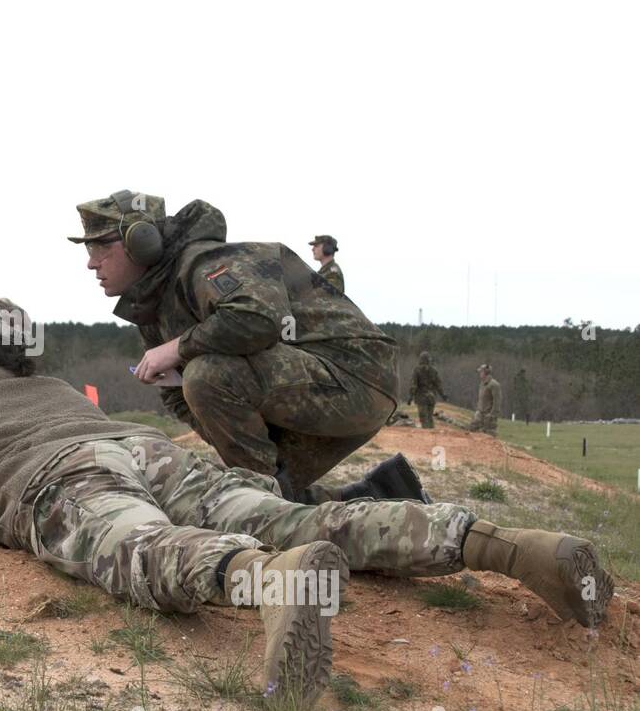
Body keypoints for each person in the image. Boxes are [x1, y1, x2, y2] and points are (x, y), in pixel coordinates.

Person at [0, 295, 615, 706]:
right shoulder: (61, 387)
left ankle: (272, 582)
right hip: (148, 451)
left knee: (139, 548)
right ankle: (507, 548)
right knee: (297, 513)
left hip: (66, 480)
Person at [71, 190, 413, 505]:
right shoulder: (152, 309)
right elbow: (181, 396)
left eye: (100, 247)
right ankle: (388, 495)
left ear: (139, 242)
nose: (91, 263)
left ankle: (266, 509)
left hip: (357, 376)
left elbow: (258, 319)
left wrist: (179, 348)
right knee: (244, 494)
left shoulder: (203, 263)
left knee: (209, 377)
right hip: (311, 391)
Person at [407, 352, 447, 428]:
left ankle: (427, 435)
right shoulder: (433, 371)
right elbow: (438, 384)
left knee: (423, 418)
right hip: (431, 397)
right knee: (430, 417)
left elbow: (414, 385)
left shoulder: (417, 370)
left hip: (421, 397)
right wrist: (443, 394)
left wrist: (410, 396)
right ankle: (431, 433)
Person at [469, 364, 503, 436]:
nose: (480, 374)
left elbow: (497, 402)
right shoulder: (482, 384)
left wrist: (492, 415)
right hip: (480, 415)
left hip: (488, 416)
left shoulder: (494, 385)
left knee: (489, 436)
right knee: (472, 431)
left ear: (485, 373)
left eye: (481, 372)